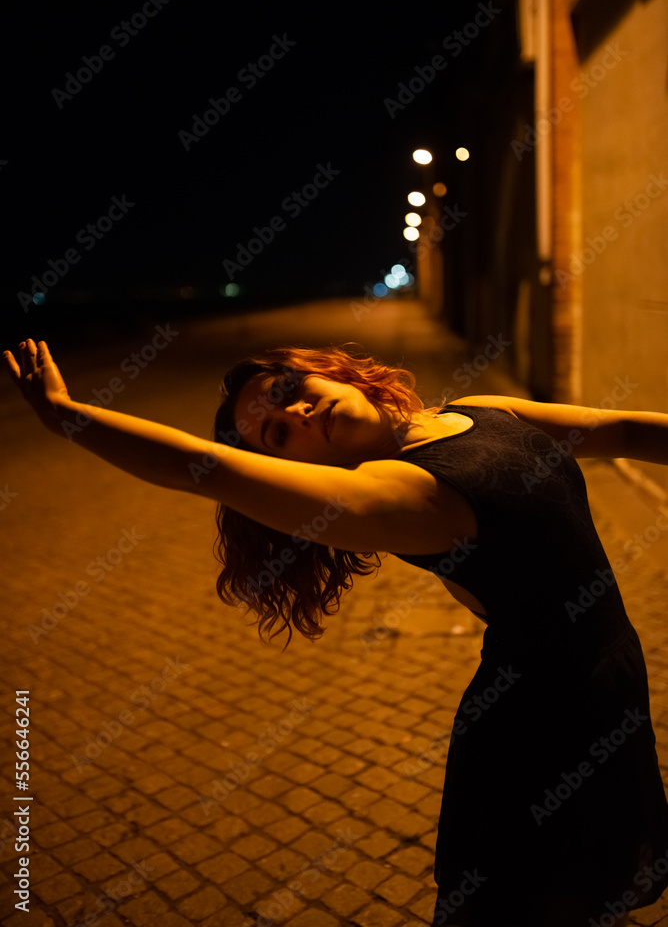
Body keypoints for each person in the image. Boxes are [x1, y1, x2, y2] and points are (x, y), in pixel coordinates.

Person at [4, 337, 668, 927]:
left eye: (287, 393)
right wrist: (68, 419)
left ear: (330, 372)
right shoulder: (391, 496)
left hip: (610, 677)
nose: (294, 414)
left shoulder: (484, 408)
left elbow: (623, 430)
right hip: (539, 729)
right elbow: (196, 465)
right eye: (276, 436)